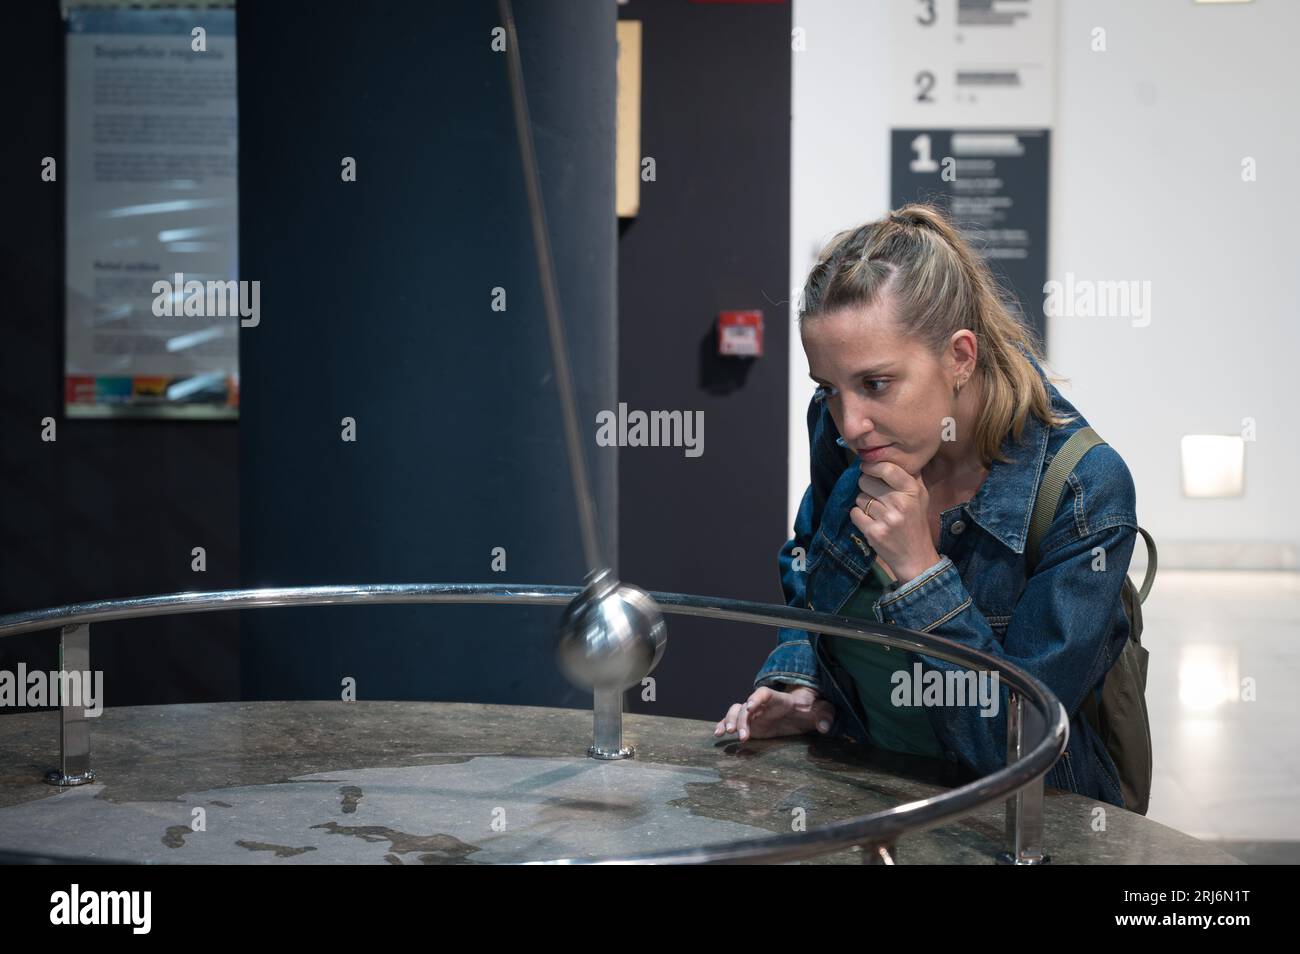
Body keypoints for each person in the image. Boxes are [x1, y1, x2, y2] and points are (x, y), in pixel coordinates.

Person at [714, 204, 1139, 808]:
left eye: (877, 384)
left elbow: (1021, 745)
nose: (851, 423)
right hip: (870, 793)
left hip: (1020, 827)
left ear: (960, 357)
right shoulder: (843, 431)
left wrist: (921, 572)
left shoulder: (1083, 488)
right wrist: (801, 683)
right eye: (828, 389)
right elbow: (811, 567)